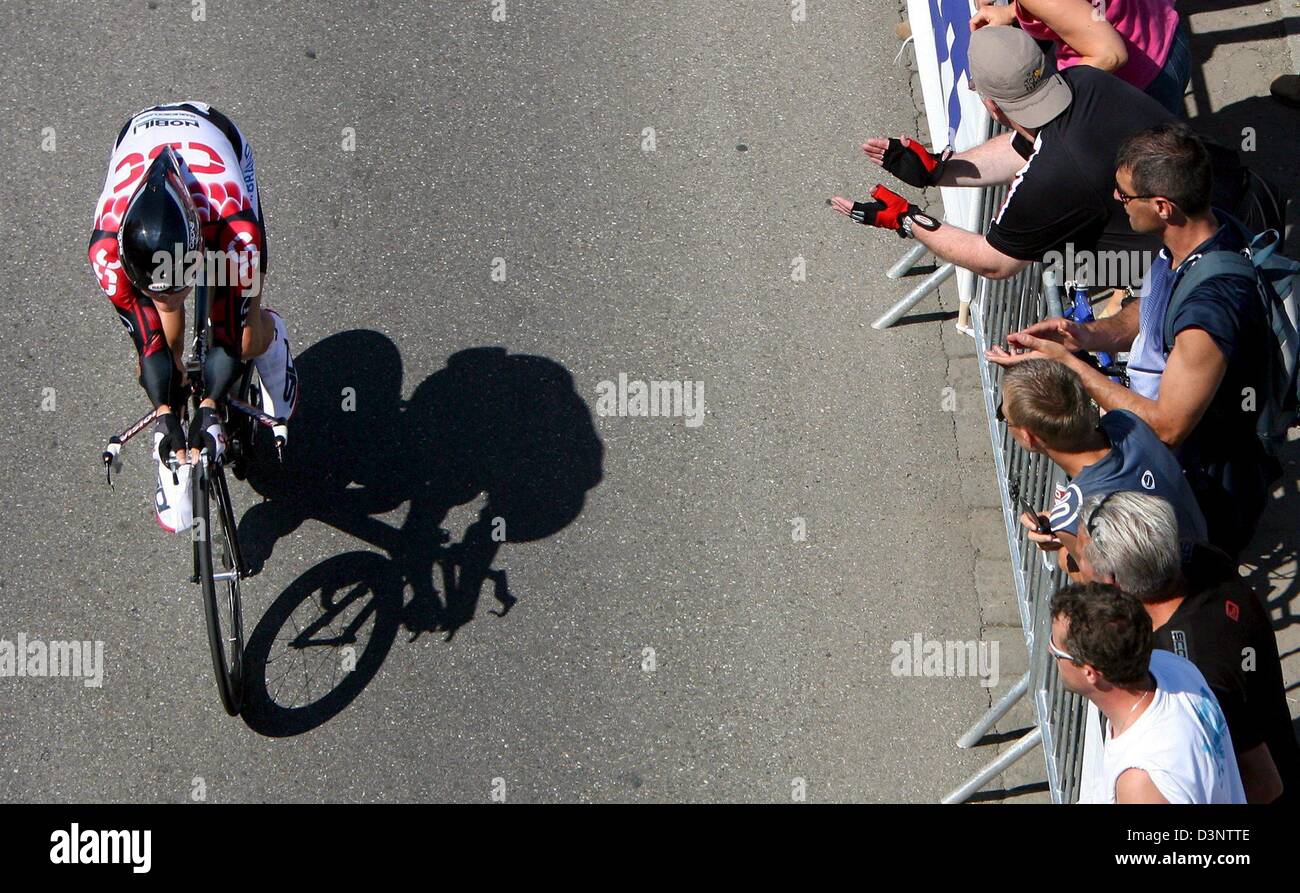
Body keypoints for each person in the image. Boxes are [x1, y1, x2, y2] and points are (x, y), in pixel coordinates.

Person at [987, 122, 1280, 559]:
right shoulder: (1195, 239)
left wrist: (1074, 369)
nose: (1115, 200)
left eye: (1124, 195)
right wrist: (1084, 334)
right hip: (1168, 458)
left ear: (1162, 206)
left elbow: (1167, 426)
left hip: (1198, 490)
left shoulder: (1212, 310)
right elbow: (1153, 309)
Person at [89, 102, 298, 532]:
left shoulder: (236, 233)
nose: (179, 296)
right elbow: (147, 345)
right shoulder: (105, 250)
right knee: (161, 334)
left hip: (218, 152)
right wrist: (167, 416)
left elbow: (225, 338)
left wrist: (209, 406)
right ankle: (172, 455)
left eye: (184, 282)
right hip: (138, 141)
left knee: (241, 339)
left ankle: (274, 345)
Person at [833, 25, 1172, 287]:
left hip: (1183, 266)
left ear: (991, 105)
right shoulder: (1085, 80)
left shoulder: (1052, 177)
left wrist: (906, 218)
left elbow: (994, 261)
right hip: (1211, 195)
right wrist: (938, 171)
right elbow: (1023, 146)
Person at [1072, 491, 1298, 803]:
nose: (1074, 564)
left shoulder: (1188, 673)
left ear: (1111, 582)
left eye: (1078, 557)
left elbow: (1263, 783)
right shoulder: (1201, 560)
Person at [997, 359, 1205, 572]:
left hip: (1179, 592)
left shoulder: (1071, 516)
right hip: (1207, 554)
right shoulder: (1125, 422)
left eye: (1003, 415)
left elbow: (1102, 592)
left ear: (1028, 437)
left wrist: (1067, 546)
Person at [1050, 582, 1245, 803]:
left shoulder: (1140, 781)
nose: (1049, 650)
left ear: (1090, 672)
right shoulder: (1173, 666)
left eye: (1056, 650)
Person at [971, 0, 1188, 115]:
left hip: (1137, 81)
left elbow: (1110, 55)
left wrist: (1043, 97)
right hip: (1162, 32)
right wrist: (1014, 10)